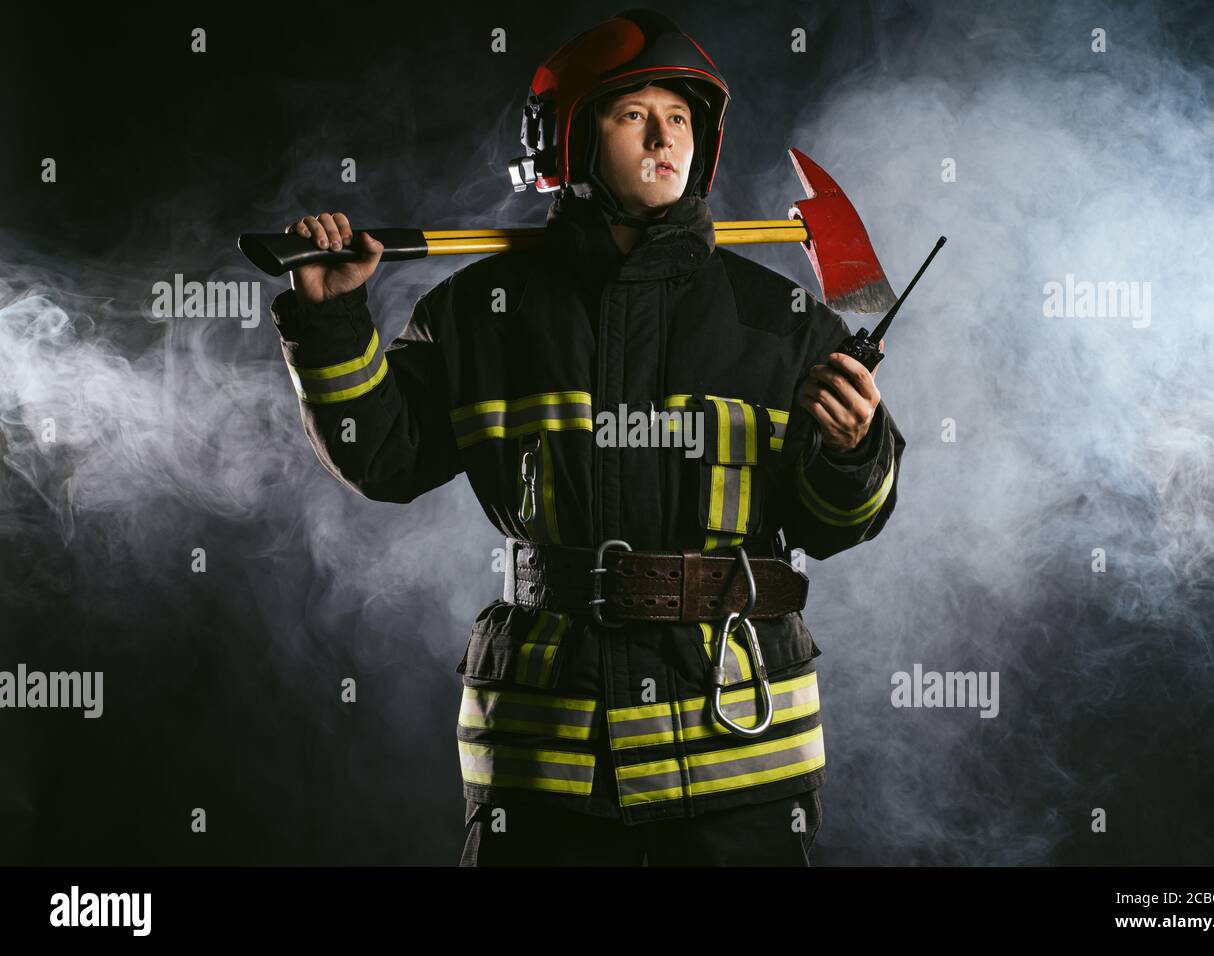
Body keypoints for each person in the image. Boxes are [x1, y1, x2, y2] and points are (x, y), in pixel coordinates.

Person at [269, 8, 906, 866]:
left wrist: (854, 447)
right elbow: (382, 458)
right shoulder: (482, 314)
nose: (663, 137)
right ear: (568, 140)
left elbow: (839, 524)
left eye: (681, 118)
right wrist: (331, 319)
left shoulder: (782, 321)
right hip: (547, 764)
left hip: (737, 765)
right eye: (632, 113)